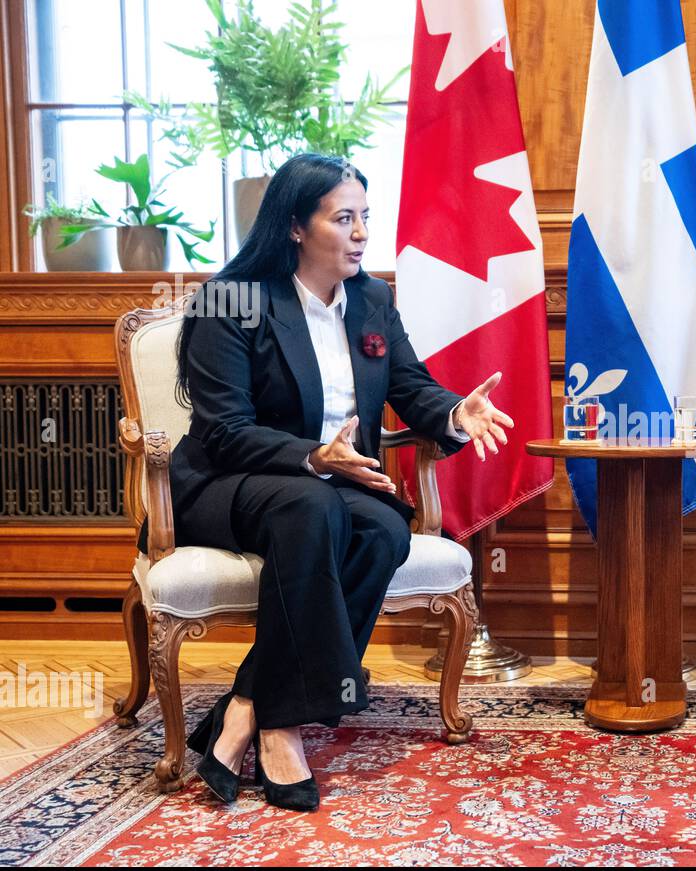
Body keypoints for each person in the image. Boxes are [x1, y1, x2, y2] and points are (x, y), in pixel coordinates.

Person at [167, 154, 514, 811]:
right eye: (343, 218)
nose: (360, 233)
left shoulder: (373, 300)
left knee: (384, 527)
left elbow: (410, 387)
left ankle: (250, 709)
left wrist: (452, 414)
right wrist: (314, 458)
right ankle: (282, 735)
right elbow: (224, 430)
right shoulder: (232, 301)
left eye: (365, 219)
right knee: (309, 504)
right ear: (297, 227)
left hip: (328, 482)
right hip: (227, 482)